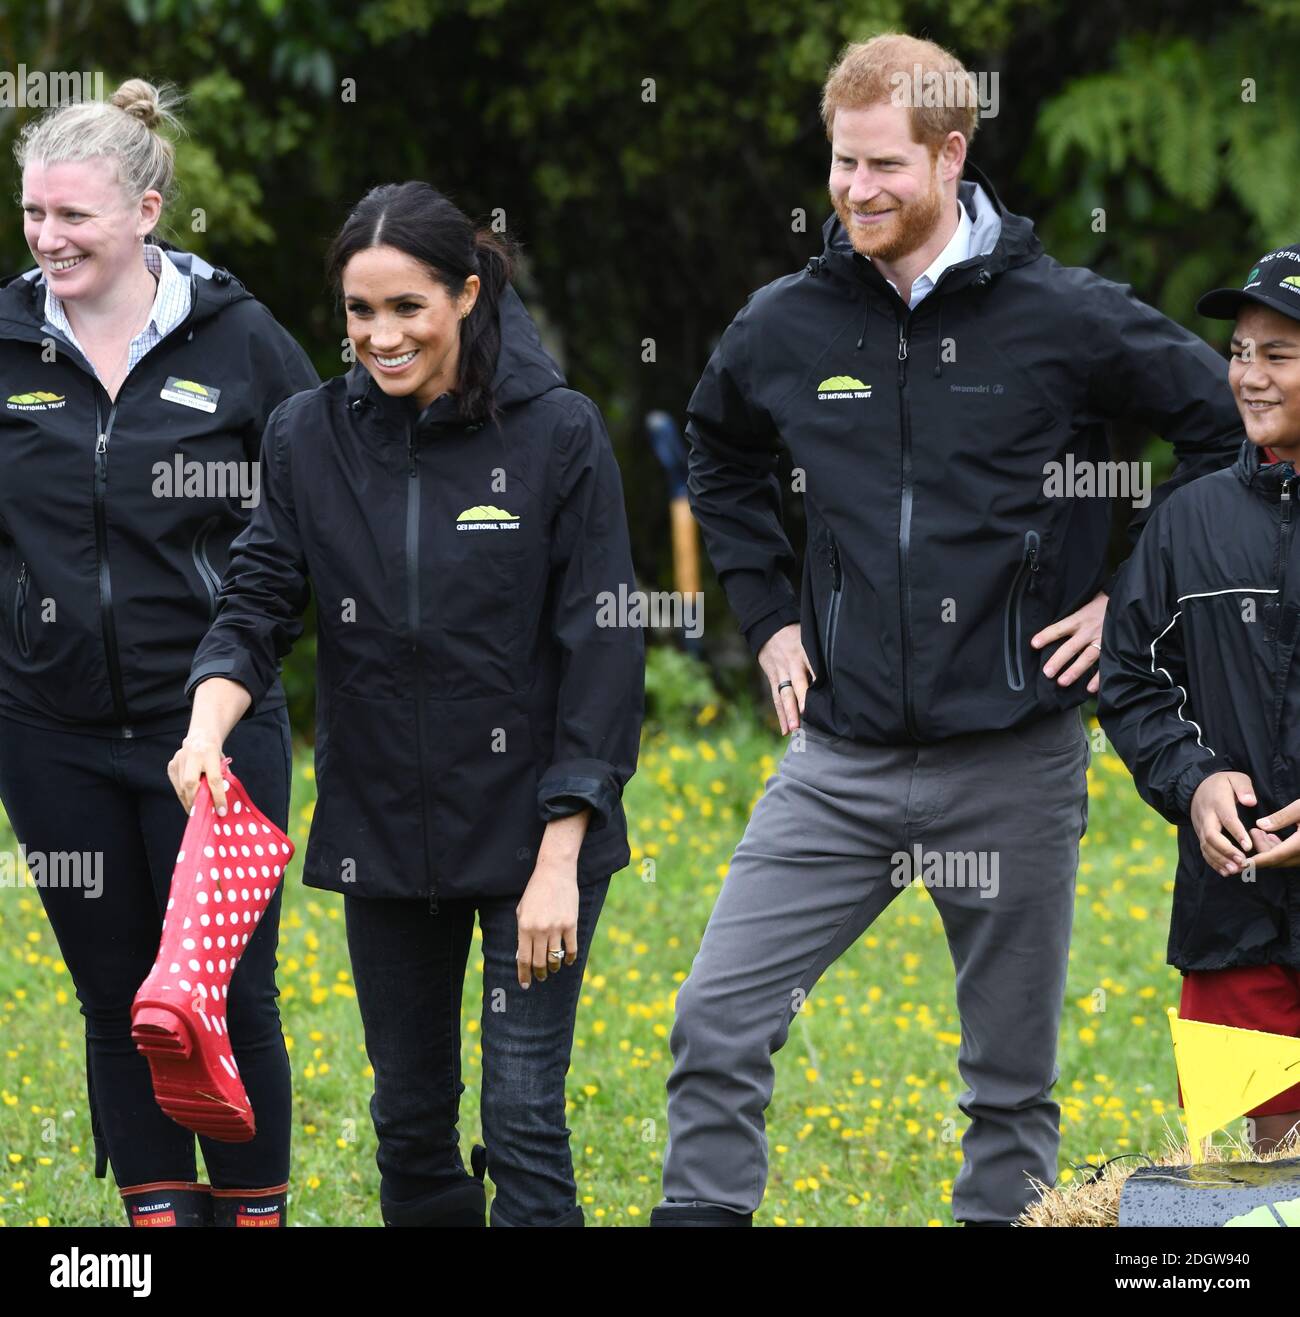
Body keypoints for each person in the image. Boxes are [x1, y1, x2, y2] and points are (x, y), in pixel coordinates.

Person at [652, 33, 1243, 1227]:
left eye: (883, 167)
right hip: (839, 762)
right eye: (840, 165)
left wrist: (1125, 601)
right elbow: (717, 452)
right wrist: (766, 615)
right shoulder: (787, 324)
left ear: (950, 153)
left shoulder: (1066, 316)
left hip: (1015, 761)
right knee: (713, 1024)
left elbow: (1222, 431)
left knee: (1008, 1093)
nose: (856, 191)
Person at [168, 181, 644, 1227]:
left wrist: (562, 853)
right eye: (358, 311)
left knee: (523, 1117)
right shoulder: (306, 436)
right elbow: (255, 601)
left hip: (533, 834)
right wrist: (206, 725)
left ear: (466, 296)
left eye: (406, 308)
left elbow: (603, 647)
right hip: (383, 827)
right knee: (409, 1118)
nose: (379, 337)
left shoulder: (559, 434)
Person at [0, 79, 319, 1226]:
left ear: (146, 211)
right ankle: (153, 1235)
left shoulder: (239, 342)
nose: (48, 238)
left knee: (228, 997)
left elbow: (315, 509)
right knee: (115, 1000)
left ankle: (254, 1216)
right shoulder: (5, 338)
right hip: (48, 735)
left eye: (72, 217)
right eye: (33, 215)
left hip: (215, 734)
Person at [1099, 246, 1300, 1155]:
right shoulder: (1188, 519)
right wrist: (1195, 781)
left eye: (1277, 355)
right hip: (1233, 924)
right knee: (1246, 1201)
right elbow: (1130, 678)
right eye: (1238, 351)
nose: (1248, 376)